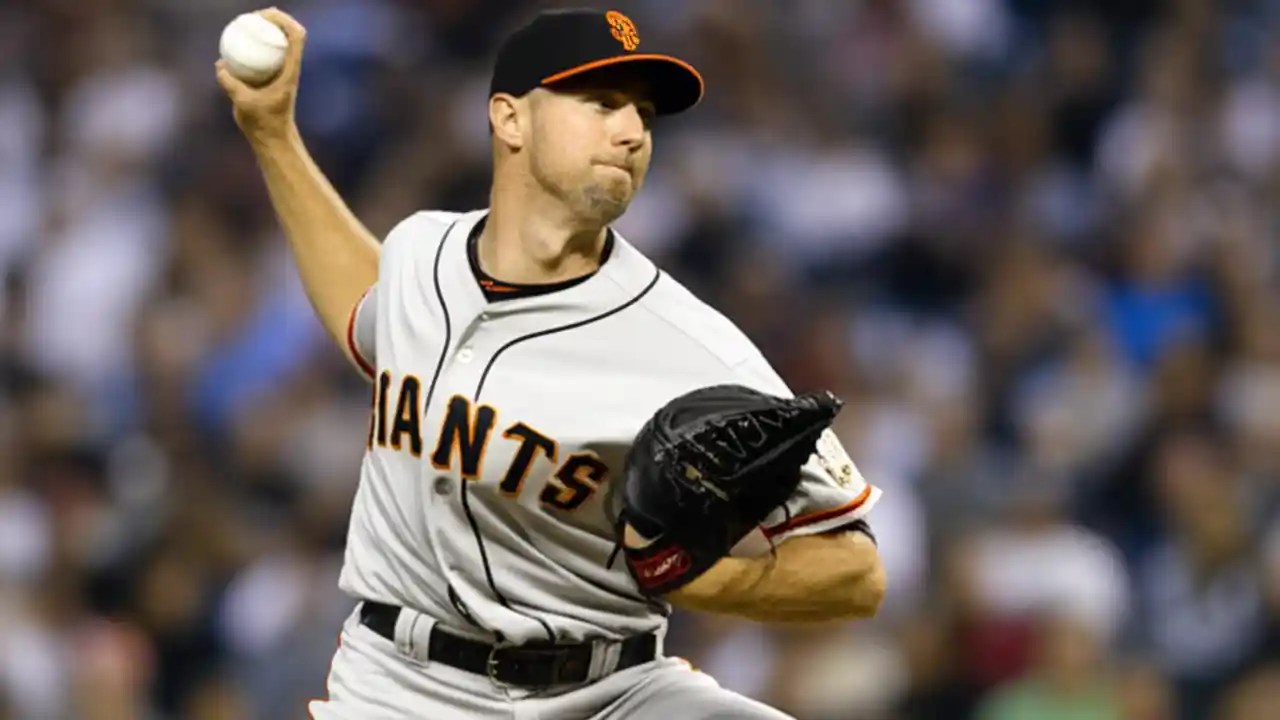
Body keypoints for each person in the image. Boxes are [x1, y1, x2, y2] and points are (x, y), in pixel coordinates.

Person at [216, 7, 886, 718]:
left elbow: (856, 571)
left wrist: (702, 581)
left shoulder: (690, 348)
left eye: (644, 115)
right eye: (601, 103)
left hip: (610, 692)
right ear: (510, 120)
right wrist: (272, 135)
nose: (631, 132)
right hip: (397, 690)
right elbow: (367, 317)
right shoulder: (421, 251)